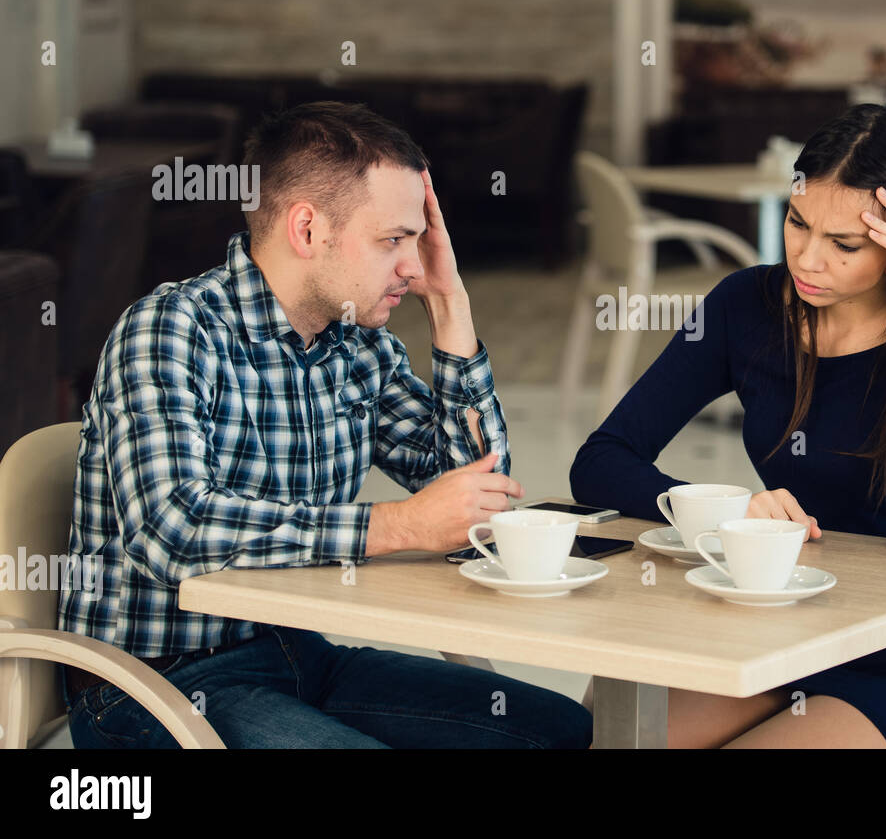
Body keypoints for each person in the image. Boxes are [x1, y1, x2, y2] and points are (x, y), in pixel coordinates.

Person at [59, 101, 592, 748]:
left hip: (297, 655)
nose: (410, 265)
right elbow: (172, 532)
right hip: (151, 685)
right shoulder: (171, 330)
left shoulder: (356, 345)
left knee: (558, 731)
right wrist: (397, 524)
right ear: (307, 230)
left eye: (414, 241)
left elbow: (476, 502)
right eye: (392, 240)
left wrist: (451, 307)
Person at [569, 103, 886, 749]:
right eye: (797, 222)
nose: (808, 260)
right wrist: (724, 512)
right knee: (615, 740)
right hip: (787, 630)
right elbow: (602, 460)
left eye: (844, 244)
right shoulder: (745, 305)